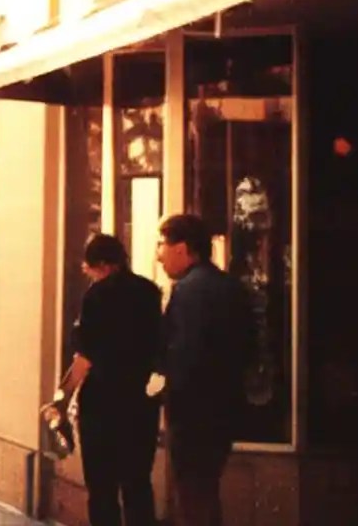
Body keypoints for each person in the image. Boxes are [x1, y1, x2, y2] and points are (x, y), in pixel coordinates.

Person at [154, 214, 252, 526]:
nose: (158, 255)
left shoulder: (188, 291)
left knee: (193, 495)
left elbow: (183, 354)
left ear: (182, 249)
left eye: (162, 245)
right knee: (207, 490)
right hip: (224, 409)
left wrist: (164, 391)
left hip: (192, 414)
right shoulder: (231, 287)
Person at [61, 234, 163, 526]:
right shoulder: (149, 292)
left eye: (90, 269)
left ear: (104, 265)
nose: (90, 275)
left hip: (102, 404)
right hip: (141, 403)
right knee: (138, 484)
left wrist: (62, 396)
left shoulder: (97, 296)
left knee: (102, 488)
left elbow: (85, 357)